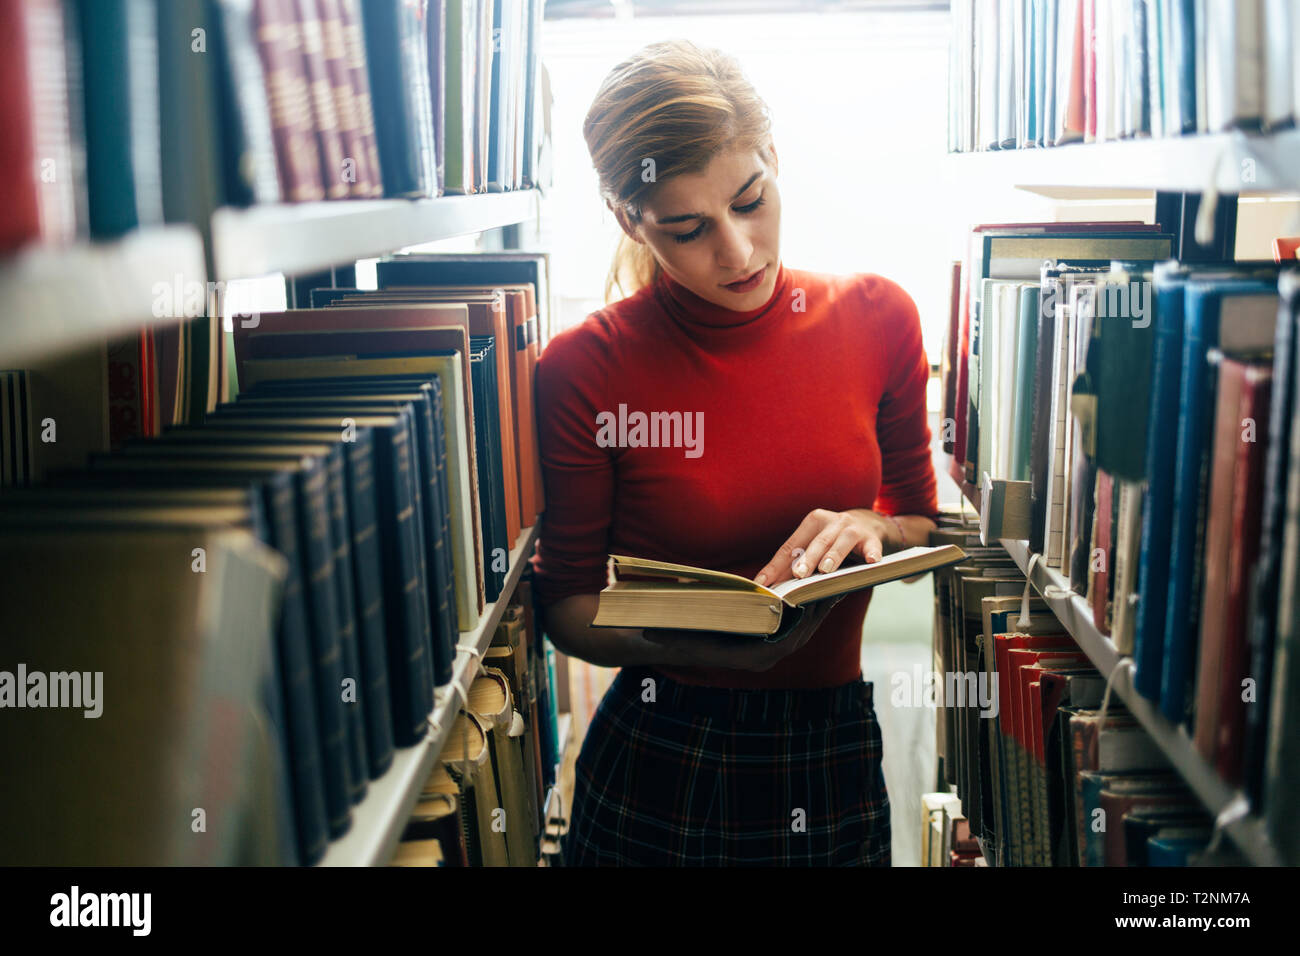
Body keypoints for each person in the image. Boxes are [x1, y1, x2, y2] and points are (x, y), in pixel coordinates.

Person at [528, 38, 940, 866]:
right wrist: (694, 649)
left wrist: (871, 525)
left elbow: (923, 523)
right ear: (628, 221)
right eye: (687, 229)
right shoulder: (581, 368)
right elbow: (566, 604)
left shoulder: (879, 318)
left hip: (831, 750)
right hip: (661, 751)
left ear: (775, 163)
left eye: (751, 200)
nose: (739, 252)